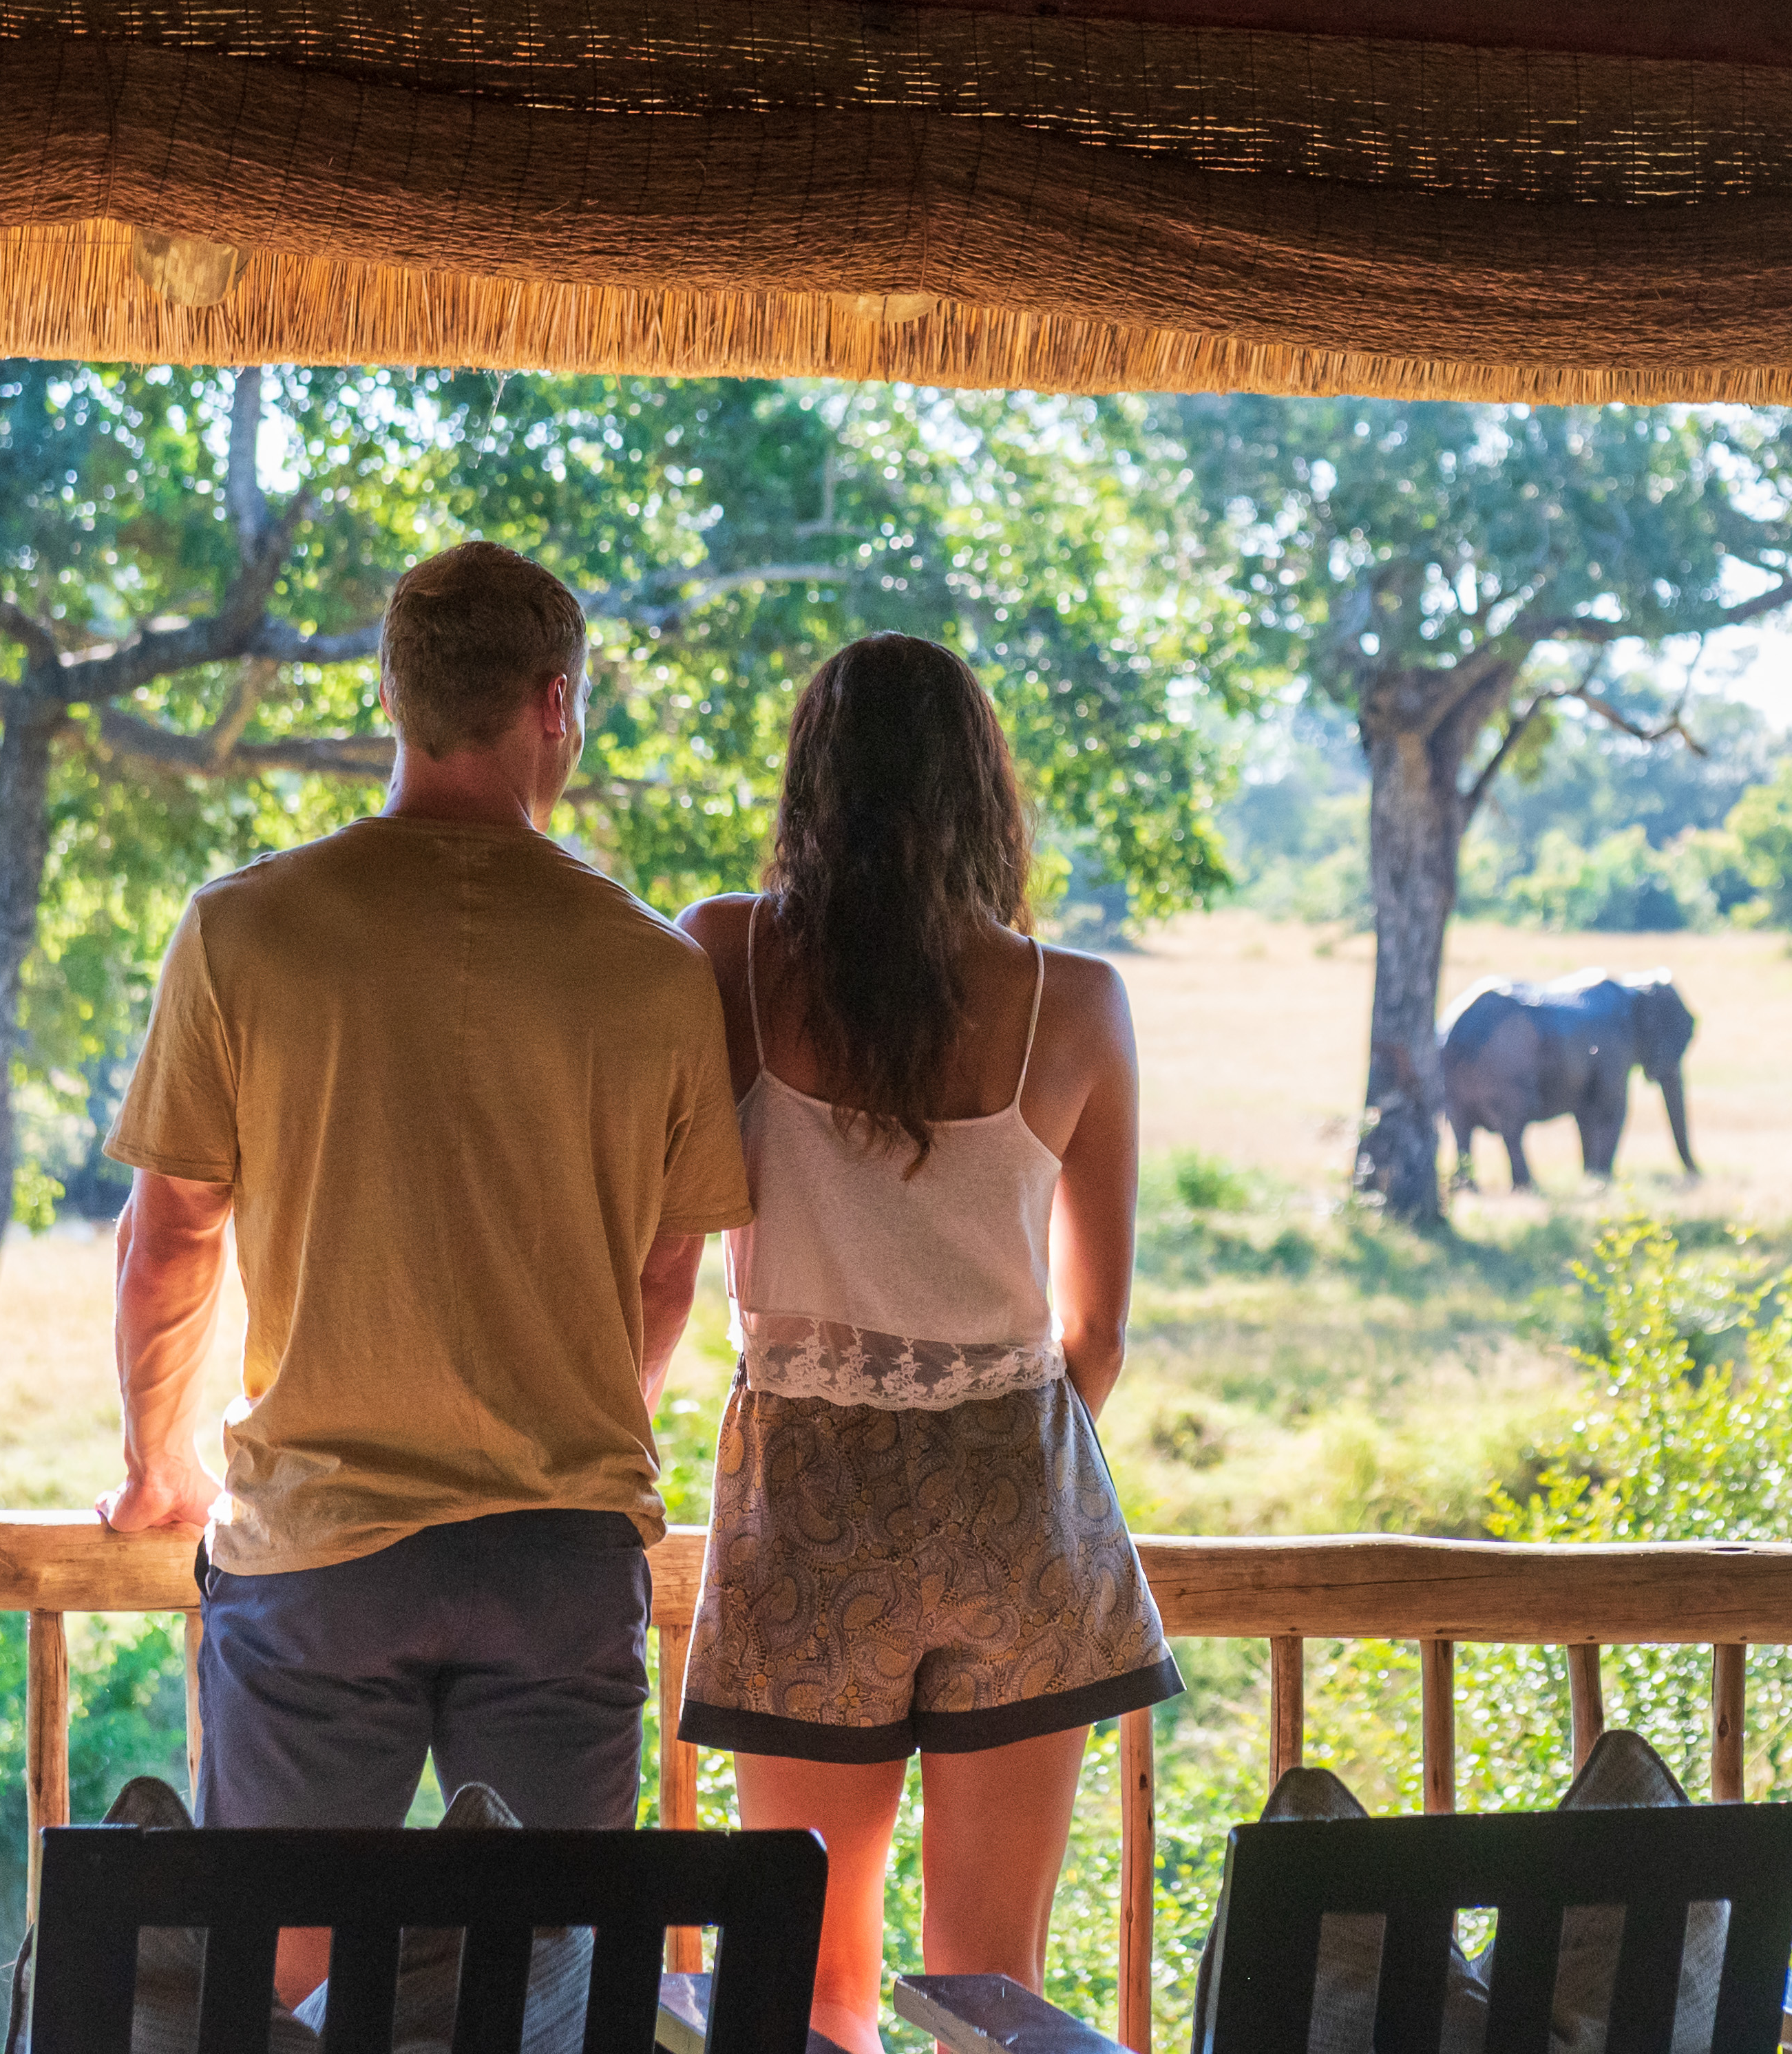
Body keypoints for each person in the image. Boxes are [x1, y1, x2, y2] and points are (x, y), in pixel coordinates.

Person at [96, 541, 750, 2000]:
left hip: (318, 1549)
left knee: (275, 1977)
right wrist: (583, 1427)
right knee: (548, 1982)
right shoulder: (650, 970)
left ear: (391, 698)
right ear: (555, 704)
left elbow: (170, 1242)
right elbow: (663, 1279)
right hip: (558, 1546)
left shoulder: (248, 929)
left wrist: (155, 1463)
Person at [675, 634, 1178, 2053]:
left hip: (806, 1498)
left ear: (810, 782)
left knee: (809, 1989)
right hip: (1016, 1497)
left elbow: (653, 1205)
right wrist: (985, 1437)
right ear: (984, 790)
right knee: (989, 1991)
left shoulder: (728, 952)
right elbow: (1099, 1329)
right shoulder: (1073, 1001)